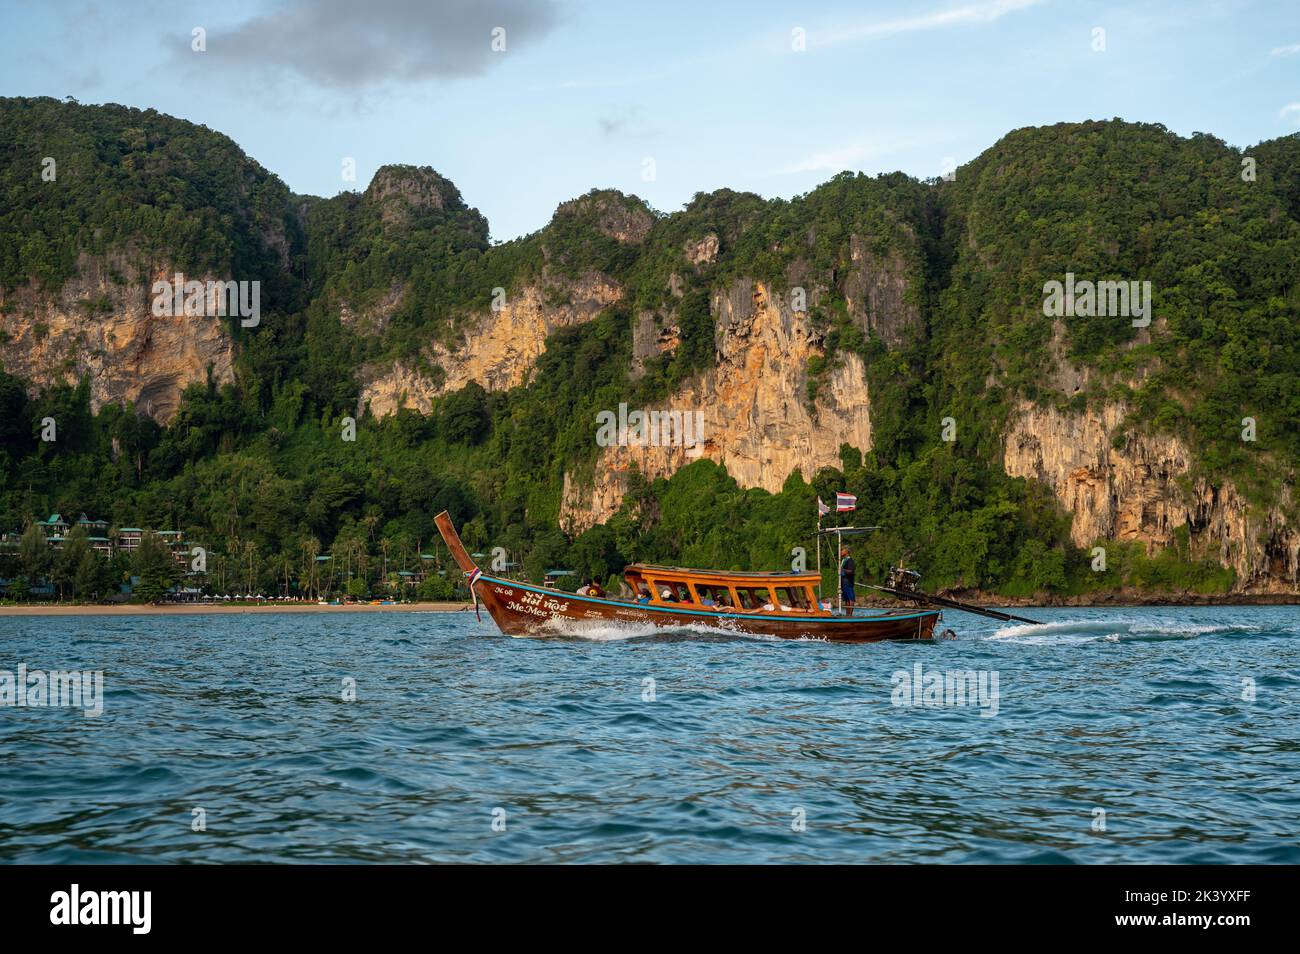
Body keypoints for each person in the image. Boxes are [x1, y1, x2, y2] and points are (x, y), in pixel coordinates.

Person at [839, 546, 856, 613]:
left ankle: (850, 615)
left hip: (848, 581)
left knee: (850, 598)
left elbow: (851, 571)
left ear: (846, 551)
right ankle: (847, 614)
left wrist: (843, 570)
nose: (840, 552)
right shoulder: (843, 560)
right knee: (846, 599)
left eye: (842, 550)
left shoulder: (850, 560)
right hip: (843, 582)